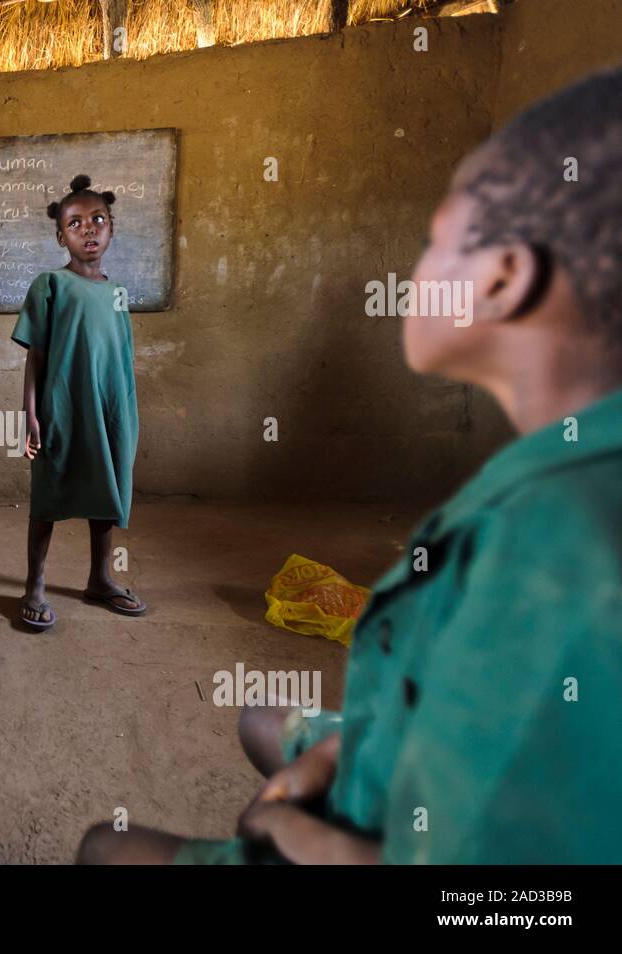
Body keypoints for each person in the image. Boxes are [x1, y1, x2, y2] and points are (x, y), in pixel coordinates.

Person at [78, 66, 622, 864]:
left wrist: (310, 842)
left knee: (105, 848)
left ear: (508, 277)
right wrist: (345, 756)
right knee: (267, 719)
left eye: (436, 239)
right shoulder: (561, 481)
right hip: (428, 781)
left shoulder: (553, 543)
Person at [13, 175, 145, 630]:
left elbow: (121, 359)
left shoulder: (118, 292)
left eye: (98, 220)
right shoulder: (50, 285)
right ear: (60, 236)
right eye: (75, 223)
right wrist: (31, 417)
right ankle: (34, 586)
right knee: (49, 494)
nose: (88, 229)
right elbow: (37, 355)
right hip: (63, 409)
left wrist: (127, 416)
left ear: (111, 228)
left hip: (110, 409)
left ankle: (100, 578)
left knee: (105, 493)